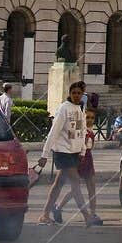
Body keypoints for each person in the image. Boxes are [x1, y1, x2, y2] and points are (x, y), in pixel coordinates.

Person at [37, 81, 101, 225]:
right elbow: (54, 132)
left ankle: (45, 214)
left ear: (82, 94)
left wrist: (83, 152)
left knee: (58, 184)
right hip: (63, 153)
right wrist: (44, 154)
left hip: (74, 153)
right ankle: (87, 216)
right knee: (76, 182)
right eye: (74, 93)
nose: (76, 96)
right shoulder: (64, 109)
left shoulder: (79, 109)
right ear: (69, 94)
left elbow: (82, 132)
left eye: (79, 93)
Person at [76, 107, 103, 224]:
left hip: (88, 159)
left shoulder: (91, 131)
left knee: (92, 188)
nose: (90, 120)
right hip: (80, 159)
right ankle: (59, 207)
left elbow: (90, 147)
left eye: (92, 118)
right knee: (75, 188)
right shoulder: (80, 129)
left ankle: (93, 212)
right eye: (87, 117)